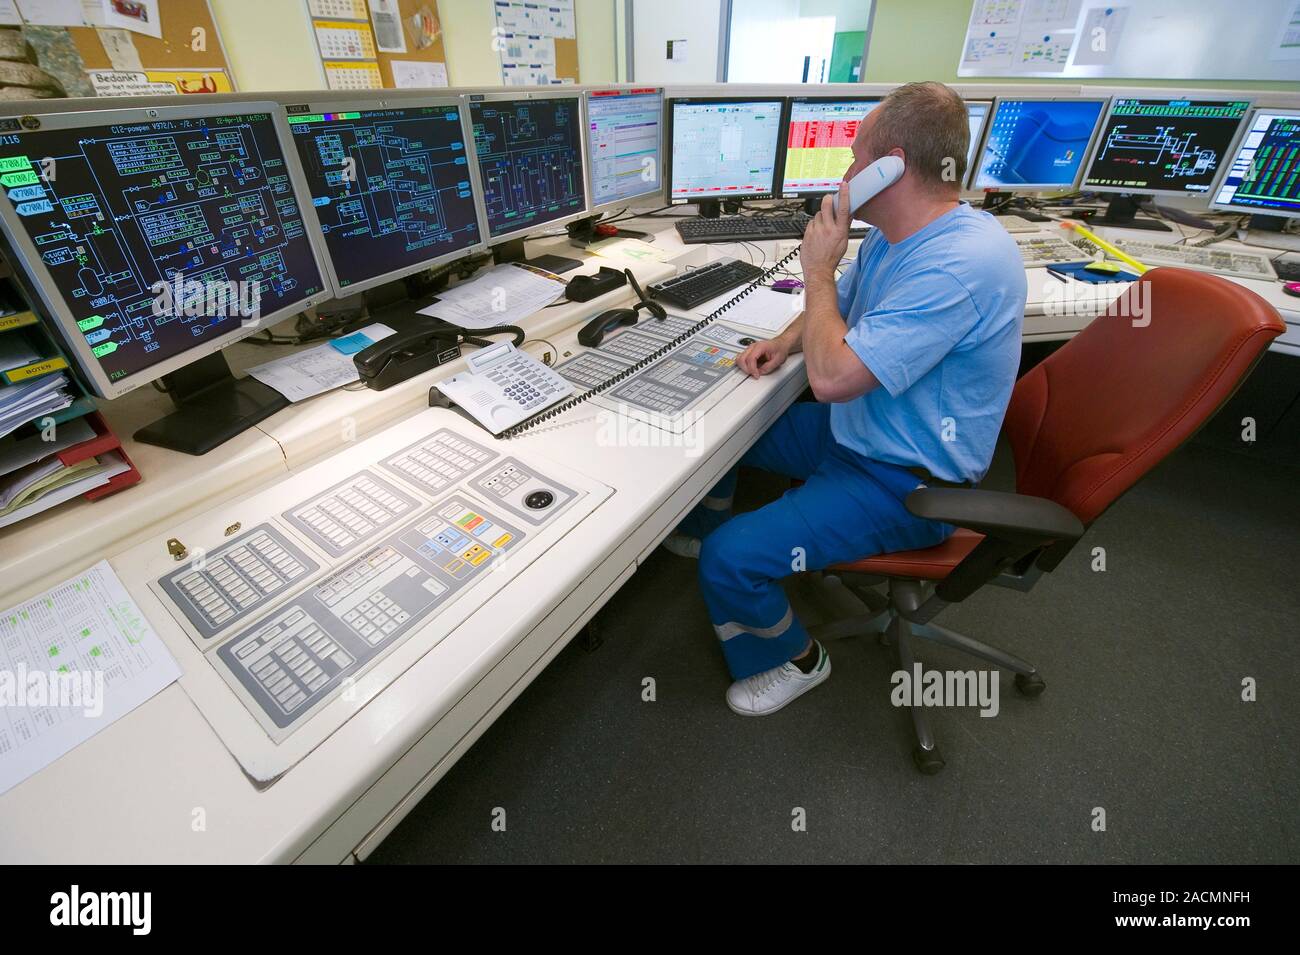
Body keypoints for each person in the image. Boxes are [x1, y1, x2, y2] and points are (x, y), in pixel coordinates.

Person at [664, 81, 1028, 716]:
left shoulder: (958, 263)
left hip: (909, 479)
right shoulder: (896, 232)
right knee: (720, 433)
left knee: (731, 560)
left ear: (890, 165)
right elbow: (836, 316)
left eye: (854, 156)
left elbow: (833, 378)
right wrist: (783, 341)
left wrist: (816, 270)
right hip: (864, 430)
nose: (844, 170)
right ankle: (704, 531)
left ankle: (797, 660)